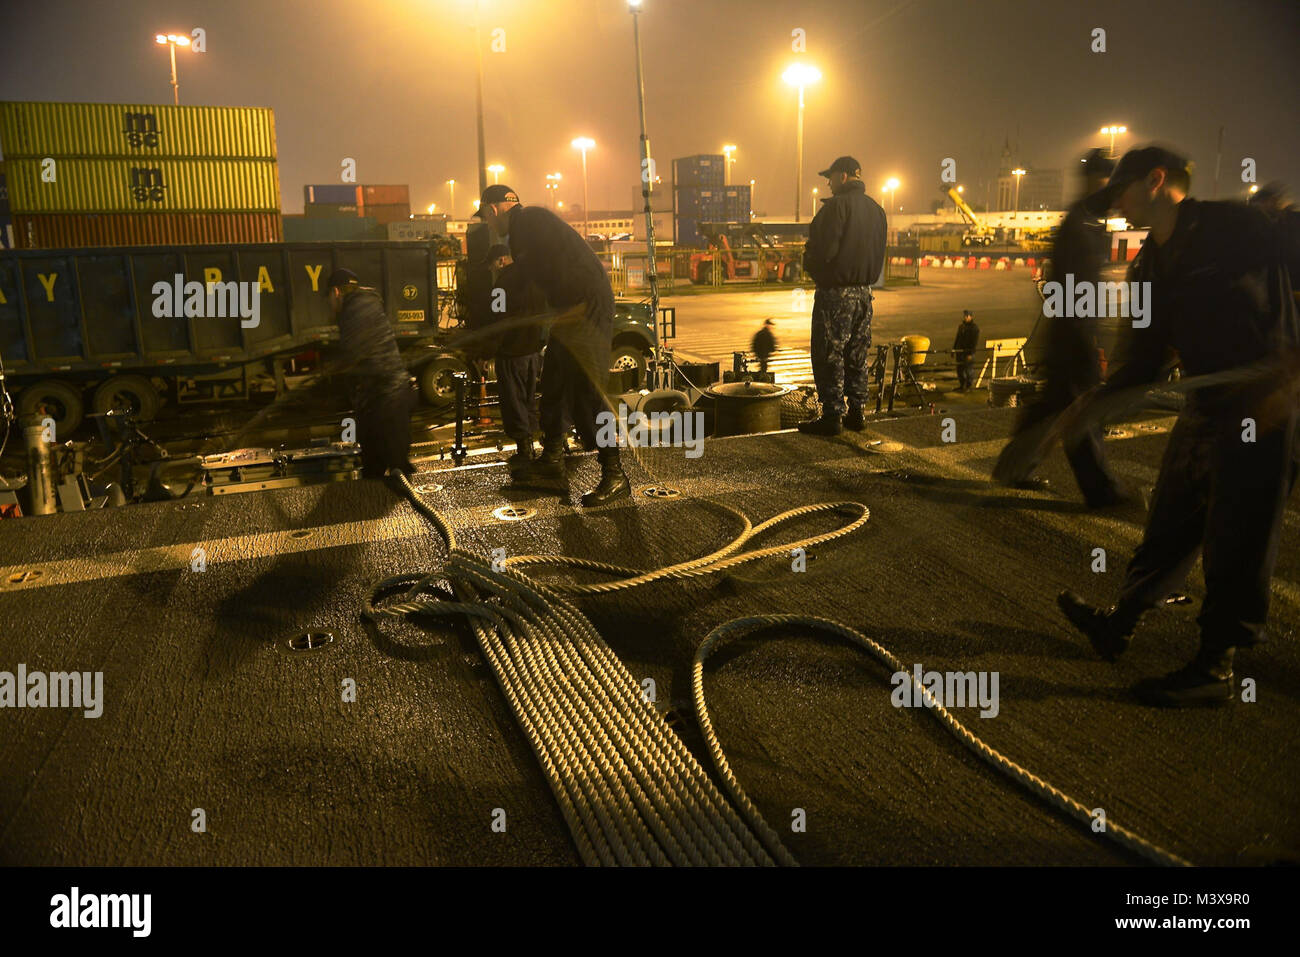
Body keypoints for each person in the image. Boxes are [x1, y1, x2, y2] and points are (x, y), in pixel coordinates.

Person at [1056, 145, 1299, 707]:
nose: (1116, 205)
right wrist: (1094, 403)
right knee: (1172, 517)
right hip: (1207, 402)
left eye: (1121, 192)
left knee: (1237, 534)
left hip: (1265, 403)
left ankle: (1216, 664)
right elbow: (1142, 359)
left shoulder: (1239, 226)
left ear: (1156, 181)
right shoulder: (1150, 263)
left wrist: (1290, 371)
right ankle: (1121, 623)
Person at [476, 184, 629, 507]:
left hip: (587, 306)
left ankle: (614, 473)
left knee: (587, 392)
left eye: (487, 219)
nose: (489, 226)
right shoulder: (529, 224)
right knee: (554, 381)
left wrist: (491, 319)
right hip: (571, 307)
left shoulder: (525, 225)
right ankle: (553, 456)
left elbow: (530, 273)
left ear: (492, 211)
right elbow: (544, 270)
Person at [992, 149, 1130, 505]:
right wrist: (1087, 340)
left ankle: (1013, 466)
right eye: (1110, 183)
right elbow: (1073, 291)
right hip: (1074, 335)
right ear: (1096, 181)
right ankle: (1102, 492)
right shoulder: (1081, 225)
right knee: (1081, 412)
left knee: (1052, 407)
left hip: (1070, 334)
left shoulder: (1086, 222)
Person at [798, 155, 887, 435]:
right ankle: (858, 411)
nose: (828, 182)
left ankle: (832, 415)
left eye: (831, 177)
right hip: (865, 294)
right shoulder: (877, 210)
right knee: (857, 351)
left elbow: (823, 252)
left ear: (844, 176)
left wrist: (810, 265)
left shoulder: (836, 208)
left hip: (836, 293)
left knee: (829, 351)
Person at [325, 268, 414, 479]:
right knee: (385, 468)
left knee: (390, 471)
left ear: (336, 292)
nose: (329, 303)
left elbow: (356, 353)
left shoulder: (354, 309)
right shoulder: (364, 304)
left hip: (386, 401)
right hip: (385, 398)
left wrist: (332, 371)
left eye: (328, 296)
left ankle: (398, 508)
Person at [484, 243, 545, 473]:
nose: (491, 270)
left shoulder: (501, 286)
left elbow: (498, 322)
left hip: (511, 354)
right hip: (532, 353)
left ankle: (524, 450)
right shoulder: (533, 280)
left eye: (491, 265)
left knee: (513, 402)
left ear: (500, 261)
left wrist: (487, 351)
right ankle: (532, 444)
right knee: (528, 400)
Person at [952, 310, 980, 391]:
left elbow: (974, 342)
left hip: (967, 352)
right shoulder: (961, 327)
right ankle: (962, 385)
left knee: (968, 370)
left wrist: (970, 353)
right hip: (960, 352)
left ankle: (968, 386)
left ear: (971, 317)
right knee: (960, 370)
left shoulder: (974, 328)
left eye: (967, 316)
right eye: (965, 316)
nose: (965, 317)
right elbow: (957, 339)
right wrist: (954, 349)